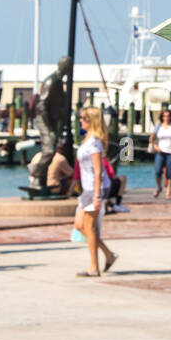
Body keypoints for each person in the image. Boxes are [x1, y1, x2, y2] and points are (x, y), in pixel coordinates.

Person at [74, 106, 117, 277]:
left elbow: (99, 171)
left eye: (84, 118)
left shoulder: (95, 142)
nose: (81, 121)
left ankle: (94, 267)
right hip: (87, 187)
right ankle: (108, 254)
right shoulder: (87, 139)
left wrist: (97, 196)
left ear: (91, 121)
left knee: (90, 228)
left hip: (95, 187)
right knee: (79, 225)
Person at [150, 107, 171, 199]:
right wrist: (155, 146)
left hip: (170, 152)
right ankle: (159, 187)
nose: (166, 118)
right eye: (164, 116)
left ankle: (168, 192)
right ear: (162, 117)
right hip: (160, 151)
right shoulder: (158, 127)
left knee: (170, 173)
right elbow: (152, 138)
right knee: (158, 171)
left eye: (168, 116)